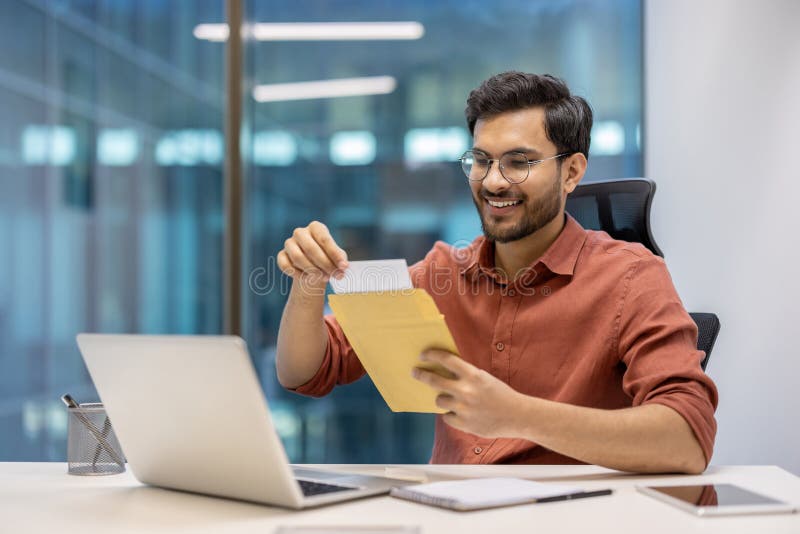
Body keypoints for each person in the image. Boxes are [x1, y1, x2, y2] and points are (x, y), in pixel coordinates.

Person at [275, 71, 717, 474]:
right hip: (451, 513)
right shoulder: (440, 274)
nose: (492, 182)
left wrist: (517, 415)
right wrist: (308, 286)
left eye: (519, 162)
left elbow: (687, 440)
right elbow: (304, 372)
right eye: (482, 160)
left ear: (572, 172)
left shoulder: (631, 278)